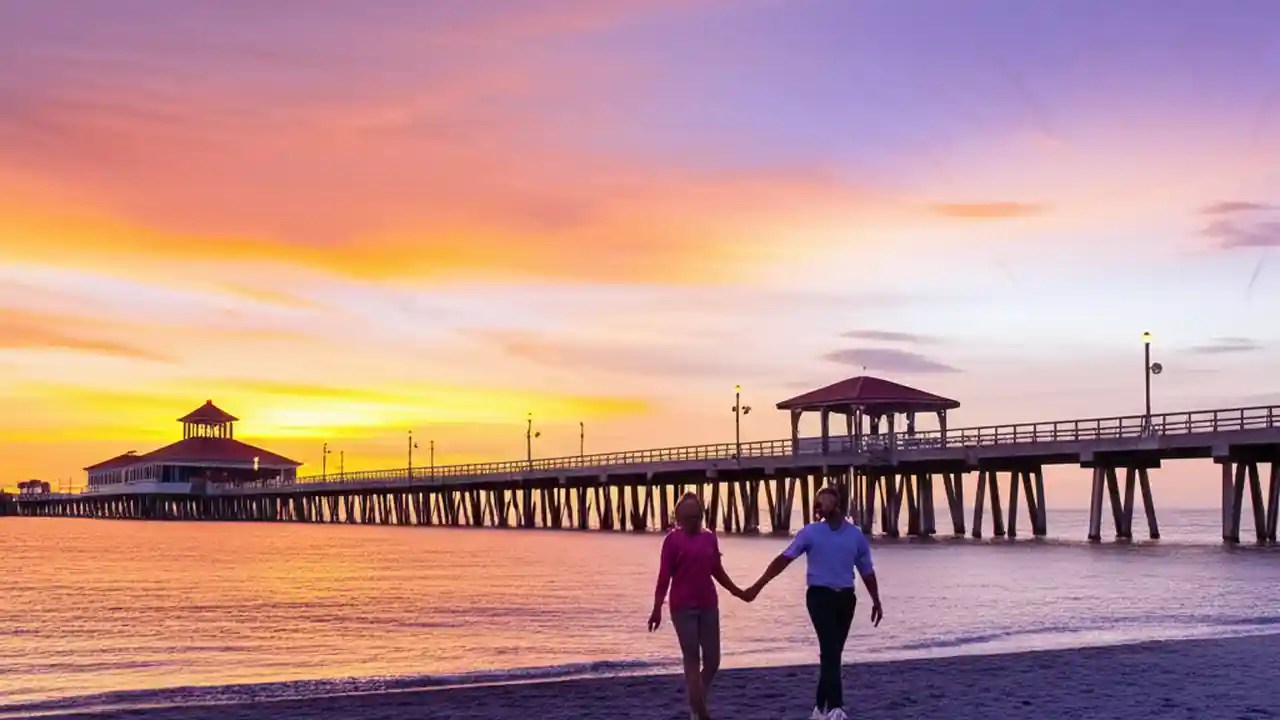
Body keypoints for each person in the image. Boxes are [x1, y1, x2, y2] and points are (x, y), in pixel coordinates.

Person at [744, 486, 882, 720]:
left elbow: (866, 570)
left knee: (832, 652)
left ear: (838, 504)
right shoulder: (810, 532)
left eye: (825, 501)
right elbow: (784, 559)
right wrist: (758, 585)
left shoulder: (855, 535)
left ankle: (819, 709)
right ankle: (837, 707)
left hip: (846, 598)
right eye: (818, 502)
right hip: (819, 597)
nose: (820, 506)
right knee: (830, 649)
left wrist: (876, 600)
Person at [649, 492, 746, 720]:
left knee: (713, 660)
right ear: (679, 518)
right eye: (688, 517)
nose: (694, 521)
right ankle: (701, 713)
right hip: (683, 607)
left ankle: (696, 700)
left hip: (708, 604)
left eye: (697, 516)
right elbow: (664, 577)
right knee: (691, 658)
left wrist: (738, 591)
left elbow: (717, 570)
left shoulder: (709, 538)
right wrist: (656, 609)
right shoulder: (672, 541)